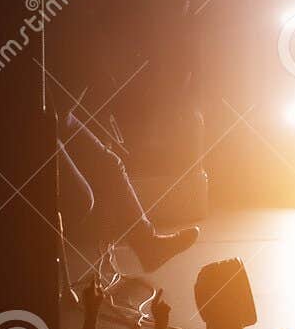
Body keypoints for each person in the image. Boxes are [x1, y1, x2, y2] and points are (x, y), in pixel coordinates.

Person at [58, 110, 198, 271]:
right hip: (36, 118)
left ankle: (147, 245)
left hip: (56, 111)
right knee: (83, 197)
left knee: (111, 166)